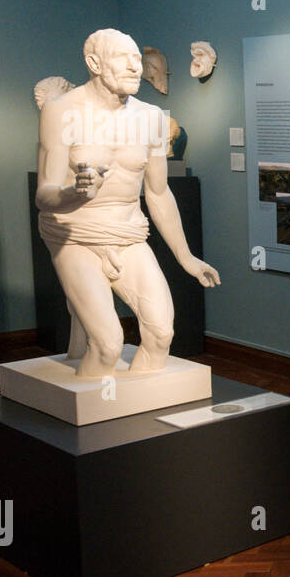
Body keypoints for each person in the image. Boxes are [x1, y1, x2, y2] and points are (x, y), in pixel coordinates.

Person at [34, 28, 218, 379]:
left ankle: (143, 407)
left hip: (128, 233)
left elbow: (158, 193)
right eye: (124, 58)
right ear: (94, 64)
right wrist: (76, 192)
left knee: (161, 335)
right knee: (107, 346)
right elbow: (45, 195)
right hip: (75, 234)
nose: (136, 67)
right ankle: (93, 407)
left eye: (138, 59)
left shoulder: (152, 117)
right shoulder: (61, 111)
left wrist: (186, 257)